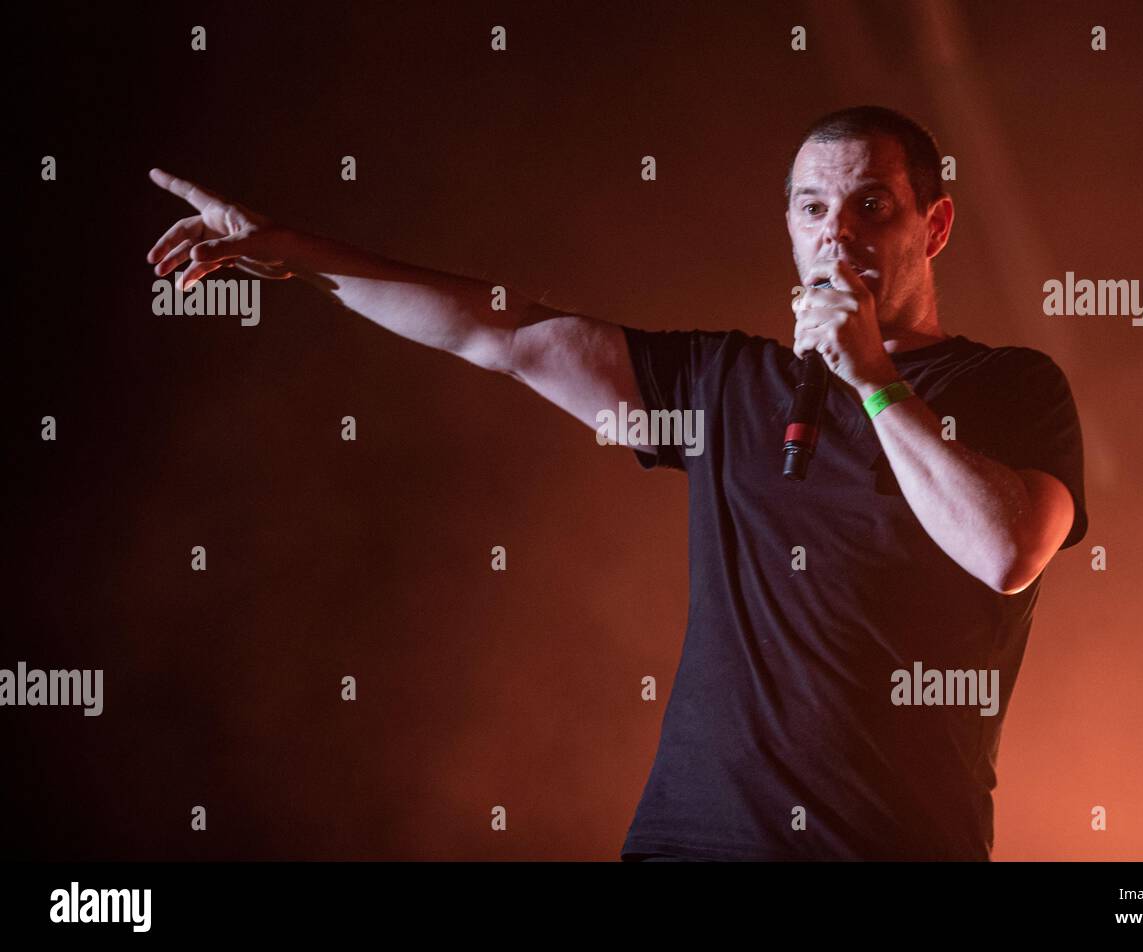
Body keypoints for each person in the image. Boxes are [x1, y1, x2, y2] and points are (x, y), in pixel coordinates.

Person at [145, 104, 1087, 862]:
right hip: (685, 843)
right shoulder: (729, 384)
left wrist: (872, 379)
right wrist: (297, 255)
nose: (835, 232)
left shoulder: (1007, 386)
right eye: (811, 208)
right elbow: (500, 335)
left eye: (871, 205)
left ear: (937, 223)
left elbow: (1006, 552)